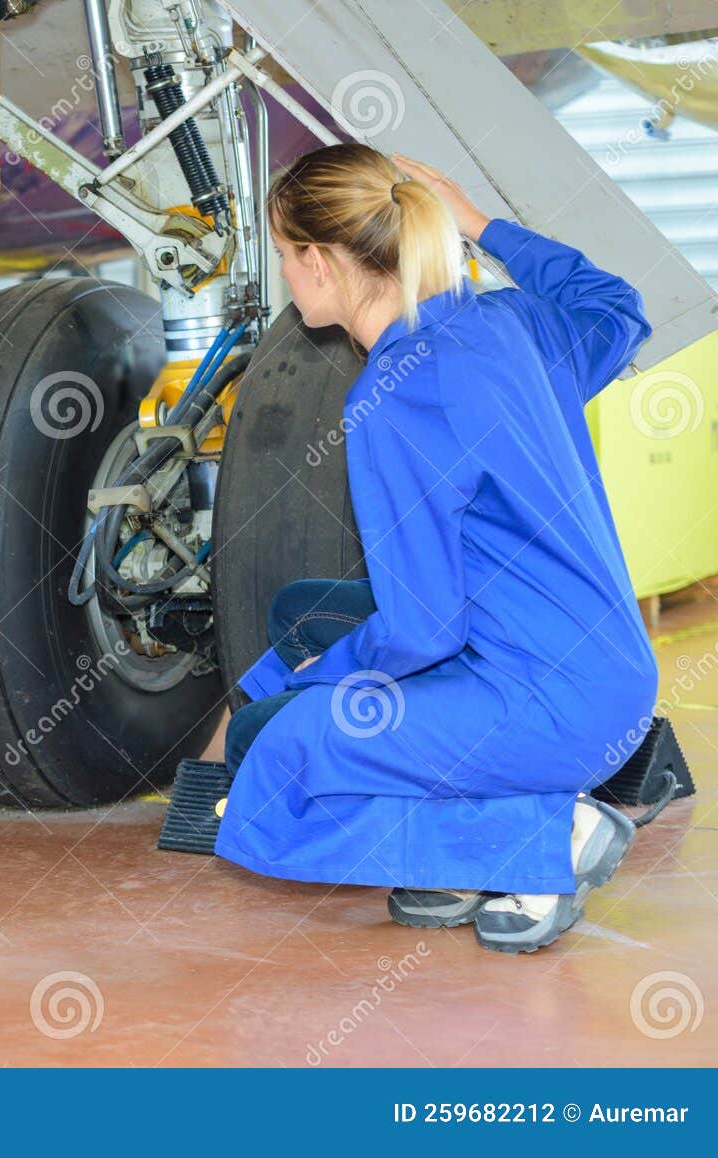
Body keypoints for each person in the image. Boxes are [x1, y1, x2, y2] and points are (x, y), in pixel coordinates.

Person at [215, 144, 656, 954]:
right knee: (299, 616)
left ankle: (537, 839)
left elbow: (424, 630)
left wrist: (312, 681)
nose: (285, 274)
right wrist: (480, 224)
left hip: (548, 704)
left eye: (283, 256)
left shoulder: (393, 399)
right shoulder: (508, 320)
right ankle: (472, 829)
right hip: (603, 665)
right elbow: (618, 307)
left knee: (267, 744)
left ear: (319, 262)